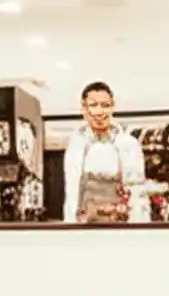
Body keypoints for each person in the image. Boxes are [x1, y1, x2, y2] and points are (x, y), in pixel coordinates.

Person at [62, 82, 148, 223]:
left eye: (105, 105)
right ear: (84, 108)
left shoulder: (129, 144)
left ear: (113, 106)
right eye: (94, 105)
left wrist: (140, 226)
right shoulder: (76, 145)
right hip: (84, 227)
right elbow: (71, 193)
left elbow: (137, 191)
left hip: (121, 225)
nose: (99, 112)